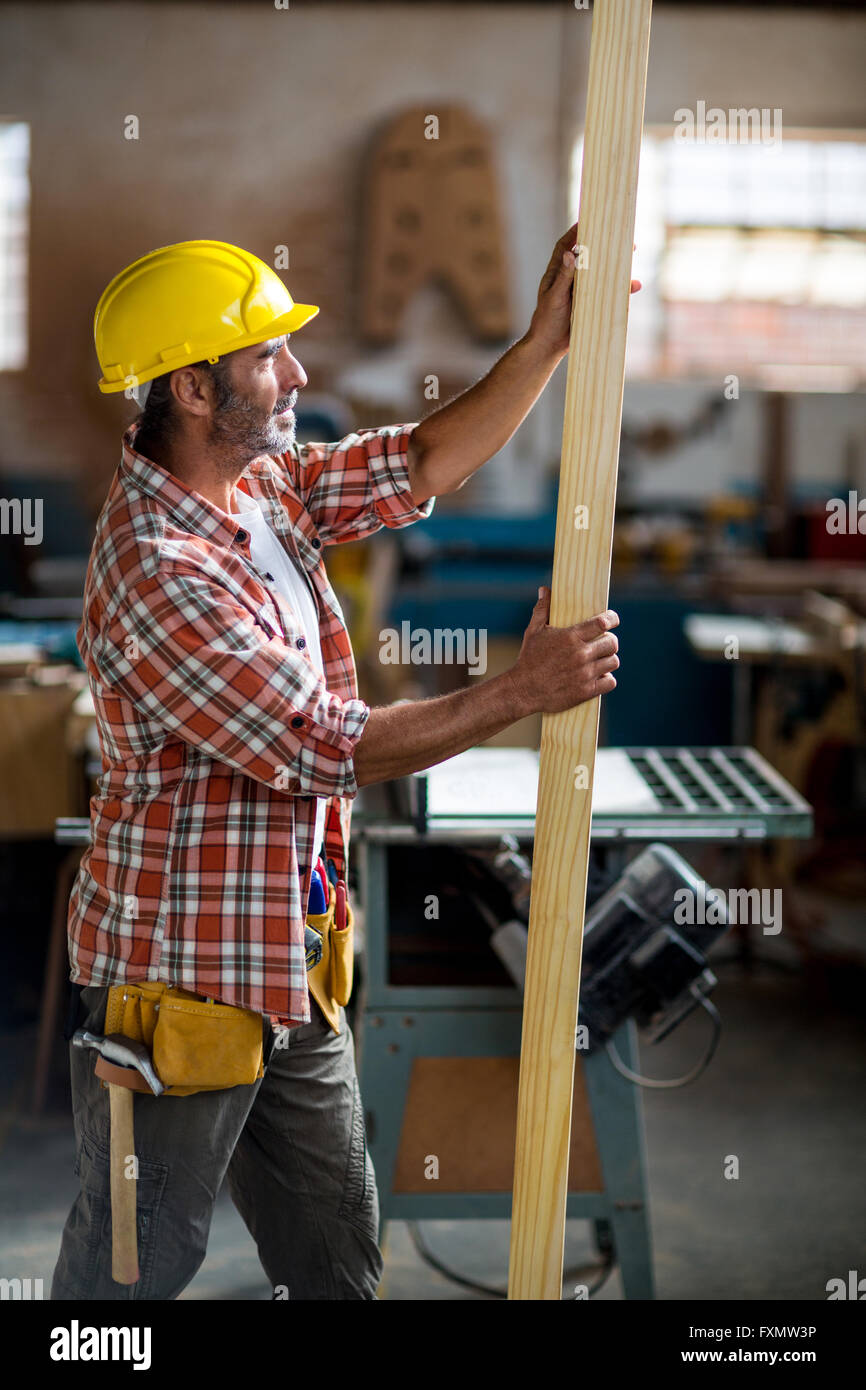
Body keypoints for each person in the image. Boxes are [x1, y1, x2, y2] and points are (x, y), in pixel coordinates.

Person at [52, 232, 633, 1301]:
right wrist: (517, 691)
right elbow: (321, 744)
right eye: (269, 355)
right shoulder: (158, 567)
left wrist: (545, 344)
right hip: (179, 982)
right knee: (131, 1265)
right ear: (192, 386)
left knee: (335, 1254)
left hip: (291, 967)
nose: (298, 376)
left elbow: (414, 463)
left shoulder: (257, 490)